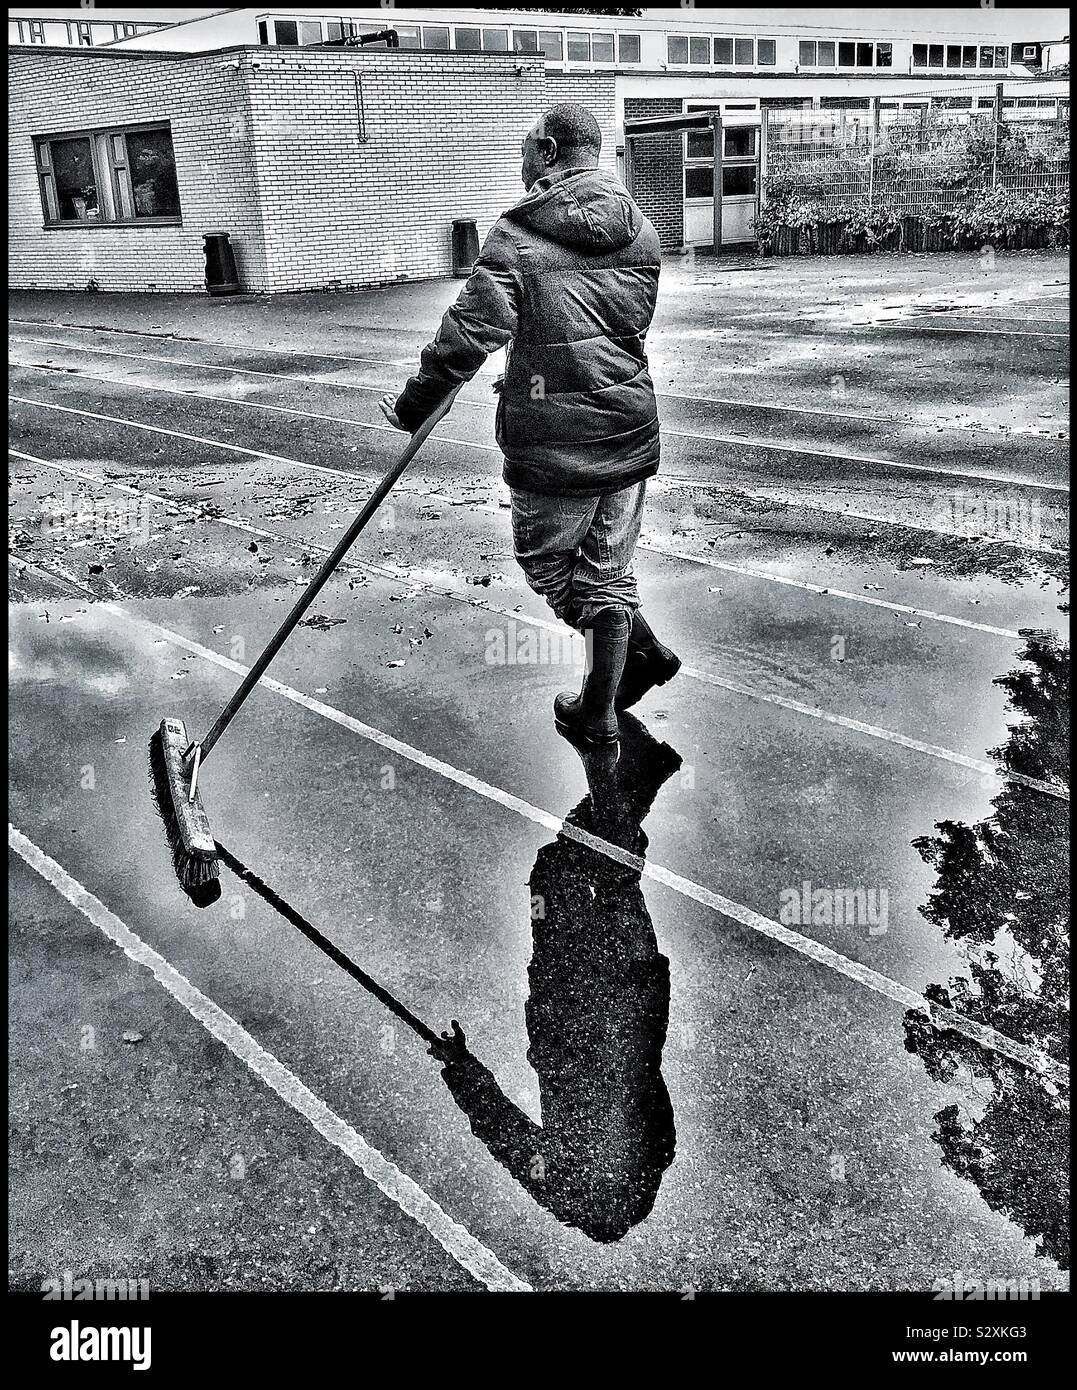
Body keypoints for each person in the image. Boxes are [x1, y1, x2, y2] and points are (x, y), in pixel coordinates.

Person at [380, 103, 680, 746]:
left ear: (546, 150)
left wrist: (415, 403)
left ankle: (632, 660)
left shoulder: (517, 238)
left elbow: (468, 332)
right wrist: (527, 372)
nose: (519, 165)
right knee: (607, 571)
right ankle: (603, 702)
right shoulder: (643, 234)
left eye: (523, 150)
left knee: (550, 569)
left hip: (556, 447)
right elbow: (598, 338)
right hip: (628, 429)